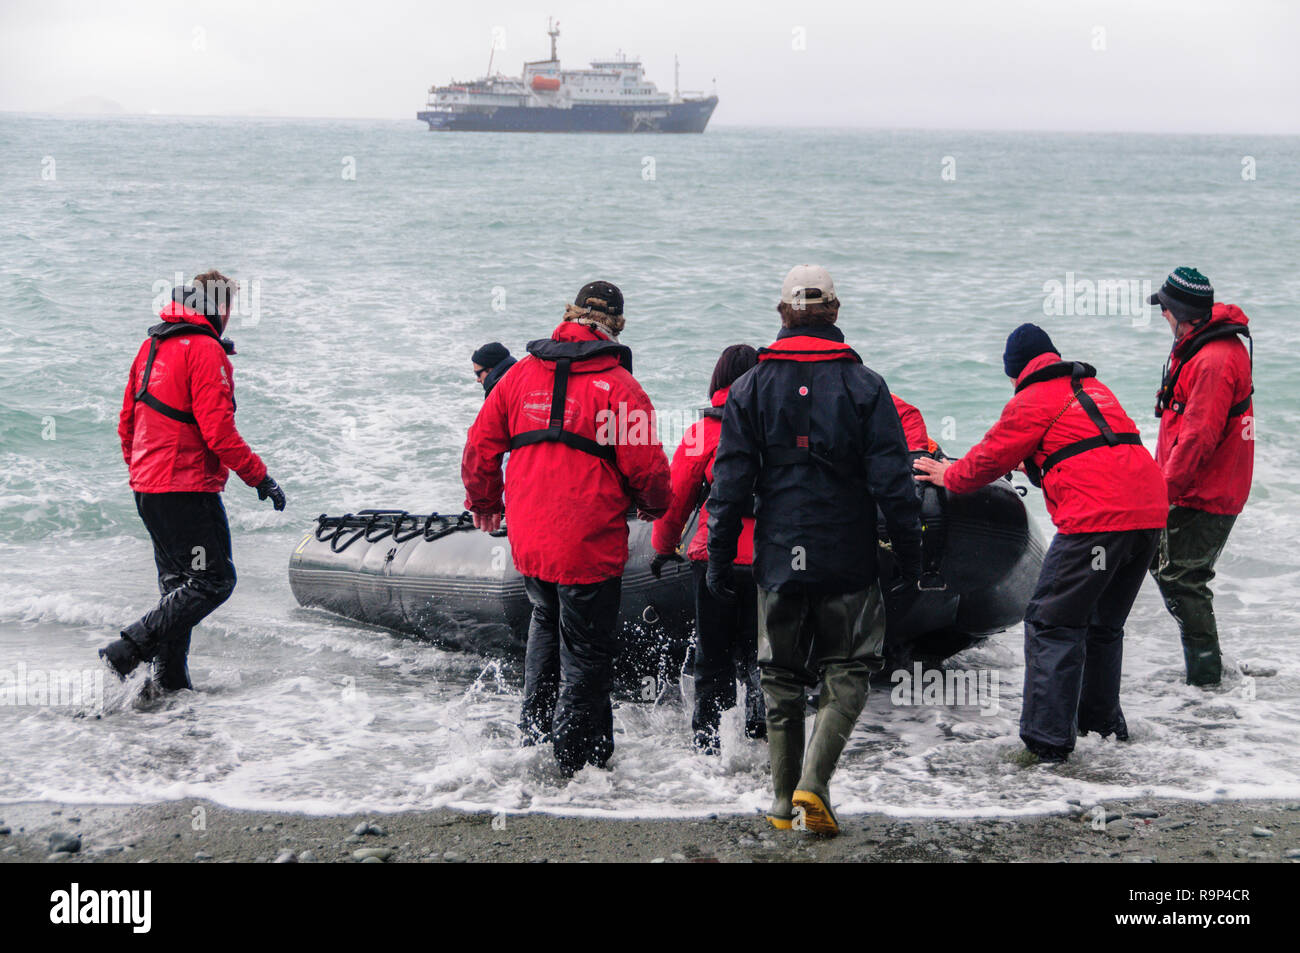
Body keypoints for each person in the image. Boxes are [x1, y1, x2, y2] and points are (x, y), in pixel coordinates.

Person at [707, 265, 923, 835]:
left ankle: (782, 802)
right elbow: (895, 485)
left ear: (782, 315)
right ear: (834, 312)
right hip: (846, 553)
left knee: (779, 677)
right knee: (847, 669)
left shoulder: (750, 386)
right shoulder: (866, 386)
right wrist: (912, 554)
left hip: (778, 553)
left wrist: (719, 556)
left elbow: (727, 483)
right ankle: (815, 783)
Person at [914, 323, 1167, 764]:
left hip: (1098, 521)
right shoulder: (1096, 389)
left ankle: (1047, 742)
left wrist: (946, 476)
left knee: (1051, 622)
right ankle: (1102, 727)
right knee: (1102, 626)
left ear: (1016, 372)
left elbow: (987, 458)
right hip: (1148, 515)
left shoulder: (1032, 399)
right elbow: (1088, 450)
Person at [462, 280, 671, 776]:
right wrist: (652, 506)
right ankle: (577, 767)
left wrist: (486, 503)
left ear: (570, 316)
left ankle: (533, 736)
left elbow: (478, 449)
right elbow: (649, 471)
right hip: (586, 543)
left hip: (530, 541)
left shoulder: (517, 379)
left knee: (544, 624)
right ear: (615, 326)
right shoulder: (621, 389)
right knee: (587, 652)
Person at [102, 271, 286, 691]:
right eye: (228, 309)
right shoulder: (204, 349)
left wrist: (140, 472)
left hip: (148, 487)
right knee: (212, 581)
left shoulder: (150, 346)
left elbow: (126, 423)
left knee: (177, 586)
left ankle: (169, 684)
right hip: (186, 489)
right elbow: (218, 432)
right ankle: (128, 649)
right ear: (216, 307)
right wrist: (260, 478)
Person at [650, 344, 764, 755]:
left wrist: (662, 548)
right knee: (761, 658)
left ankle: (709, 748)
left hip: (714, 557)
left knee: (712, 656)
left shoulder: (704, 432)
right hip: (771, 563)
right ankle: (761, 745)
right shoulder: (781, 426)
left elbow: (675, 498)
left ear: (718, 380)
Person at [1147, 267, 1254, 686]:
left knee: (1182, 577)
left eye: (1166, 309)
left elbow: (1197, 440)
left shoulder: (1213, 360)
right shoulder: (1199, 343)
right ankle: (1209, 663)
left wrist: (1163, 494)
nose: (1162, 317)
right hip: (1191, 482)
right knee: (1162, 564)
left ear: (1182, 313)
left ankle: (1206, 679)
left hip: (1208, 490)